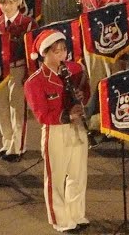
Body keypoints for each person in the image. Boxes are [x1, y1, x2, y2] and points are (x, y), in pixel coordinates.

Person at [24, 29, 90, 233]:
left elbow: (86, 90)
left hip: (77, 127)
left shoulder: (74, 70)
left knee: (78, 173)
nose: (62, 55)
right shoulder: (34, 82)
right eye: (56, 51)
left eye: (63, 50)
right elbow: (42, 114)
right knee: (56, 177)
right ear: (44, 54)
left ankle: (76, 213)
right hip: (55, 131)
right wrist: (67, 115)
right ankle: (60, 219)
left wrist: (82, 97)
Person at [0, 0, 34, 161]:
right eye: (3, 3)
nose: (7, 6)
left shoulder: (27, 23)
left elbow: (31, 50)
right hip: (0, 70)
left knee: (17, 107)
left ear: (18, 3)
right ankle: (7, 142)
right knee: (2, 107)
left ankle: (18, 146)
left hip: (18, 68)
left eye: (11, 3)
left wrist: (29, 73)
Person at [78, 0, 127, 131]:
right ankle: (98, 121)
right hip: (92, 46)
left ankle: (114, 120)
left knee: (113, 82)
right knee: (95, 82)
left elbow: (126, 25)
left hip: (113, 47)